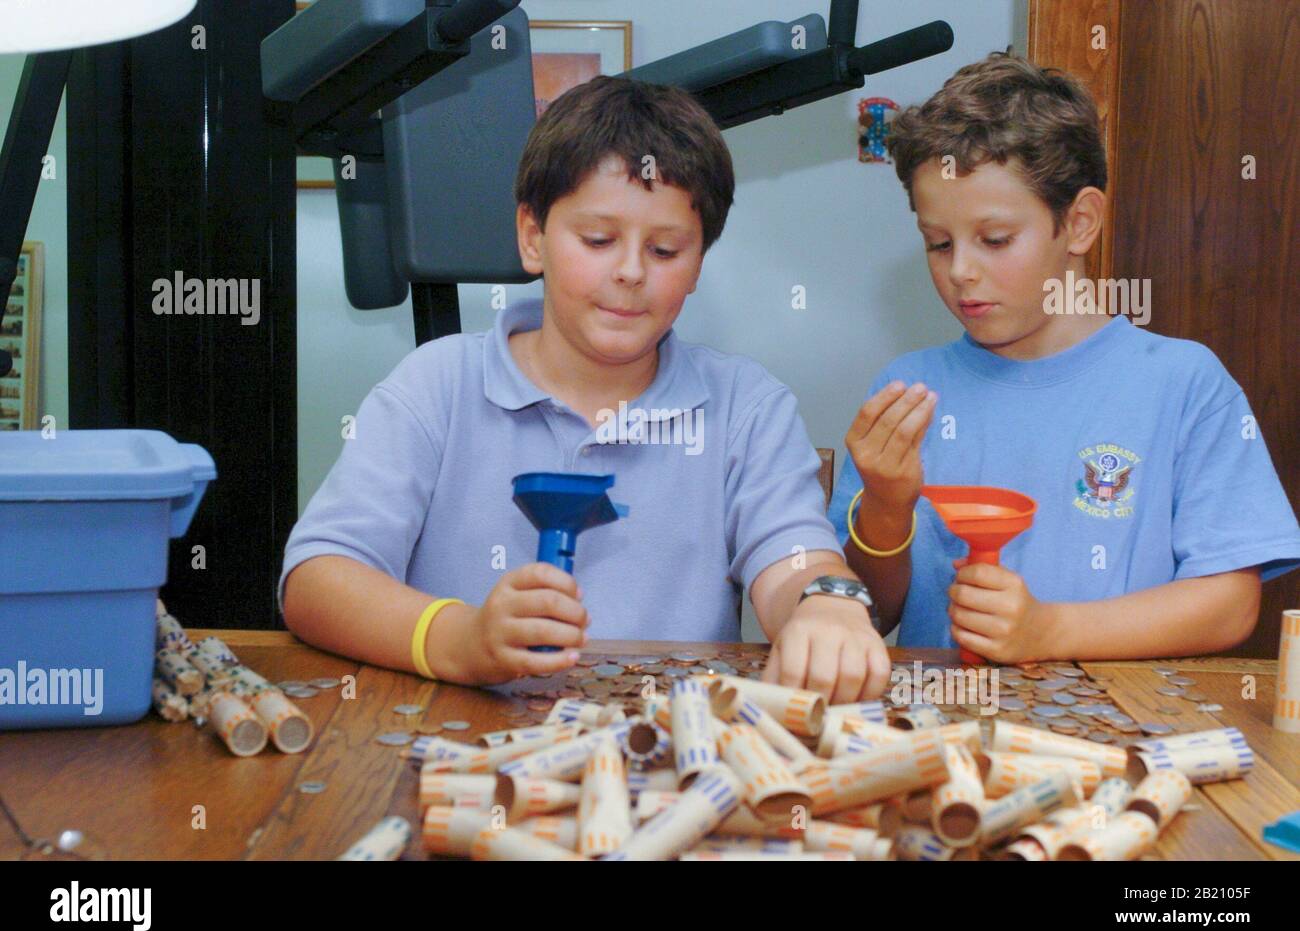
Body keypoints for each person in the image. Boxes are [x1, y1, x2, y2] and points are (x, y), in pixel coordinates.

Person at [282, 76, 890, 701]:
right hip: (458, 757)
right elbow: (318, 580)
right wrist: (459, 640)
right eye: (598, 241)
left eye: (664, 249)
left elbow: (792, 557)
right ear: (532, 236)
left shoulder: (746, 409)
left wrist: (824, 603)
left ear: (700, 261)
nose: (629, 272)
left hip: (668, 764)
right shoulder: (436, 387)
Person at [828, 52, 1300, 661]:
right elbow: (866, 612)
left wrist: (1050, 632)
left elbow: (1230, 603)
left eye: (995, 240)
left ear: (1079, 223)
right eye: (938, 244)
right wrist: (888, 509)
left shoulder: (1184, 385)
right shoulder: (909, 392)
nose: (961, 271)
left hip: (1124, 742)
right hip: (946, 735)